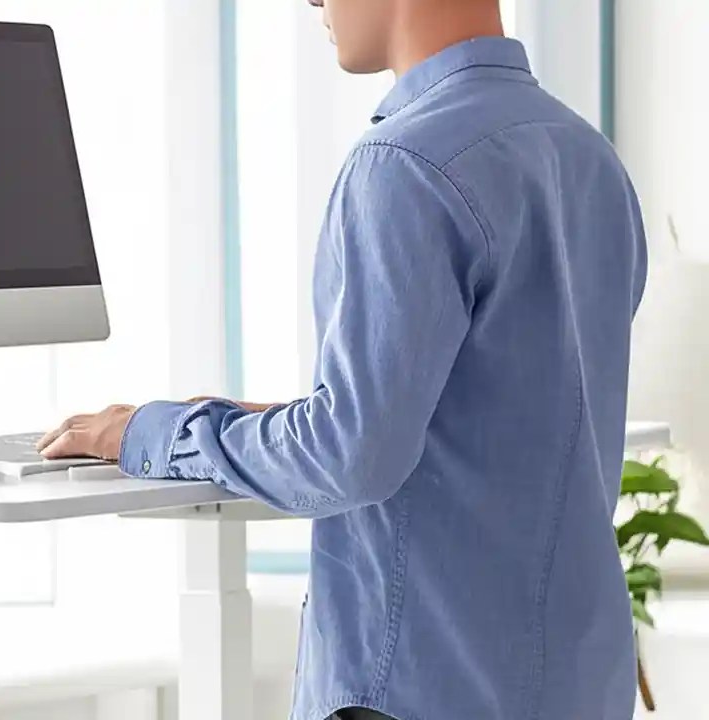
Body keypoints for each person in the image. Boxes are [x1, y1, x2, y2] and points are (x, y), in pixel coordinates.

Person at [37, 0, 648, 718]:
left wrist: (159, 433)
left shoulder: (405, 165)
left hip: (420, 694)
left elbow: (350, 459)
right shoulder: (587, 157)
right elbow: (500, 417)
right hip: (579, 689)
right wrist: (265, 421)